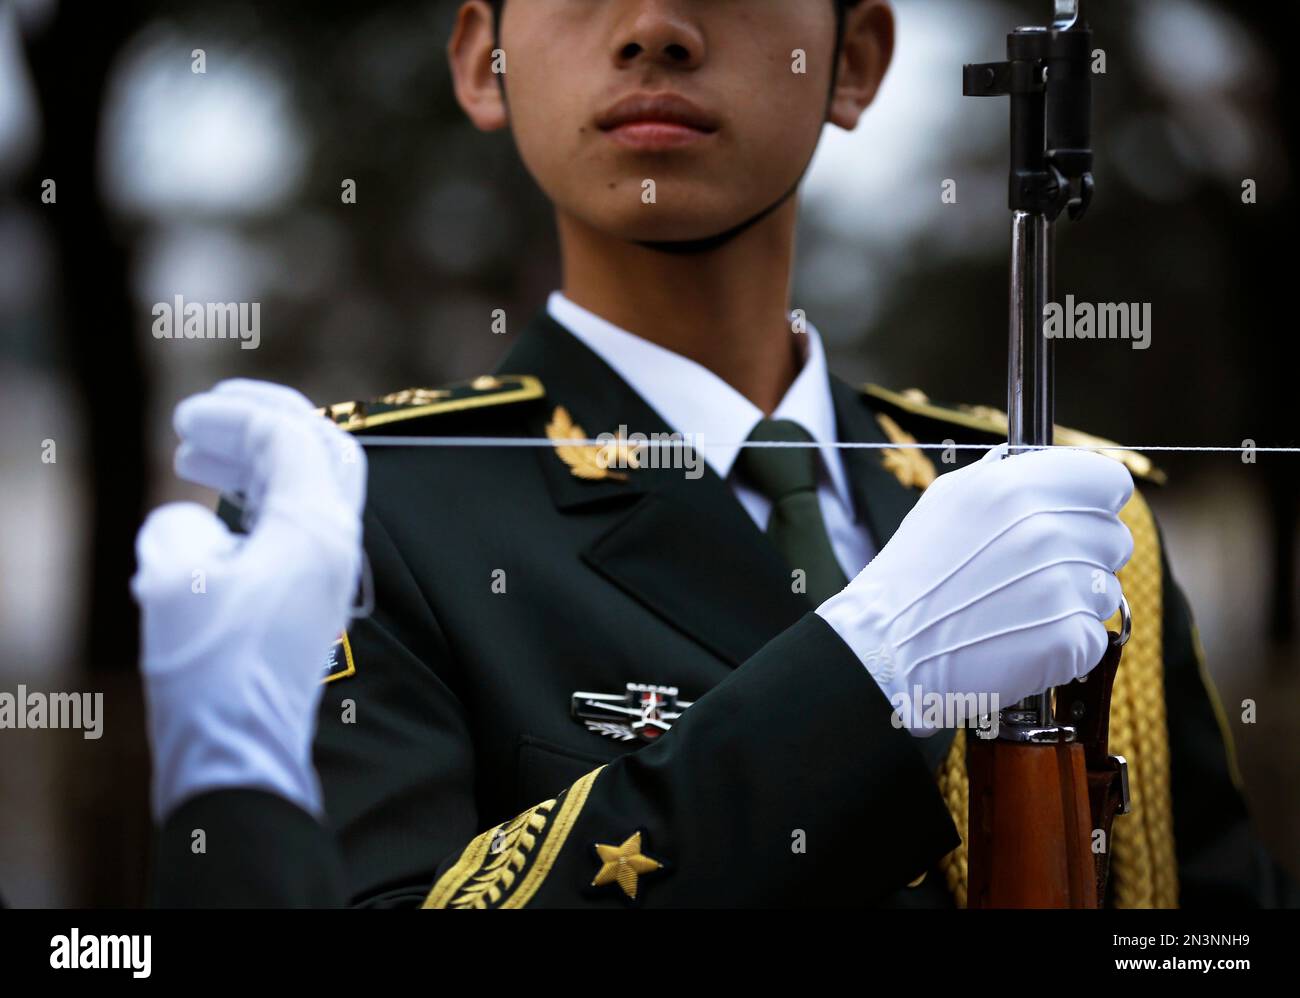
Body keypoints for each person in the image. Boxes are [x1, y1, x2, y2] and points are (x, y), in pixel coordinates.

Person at [135, 0, 1294, 907]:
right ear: (482, 59)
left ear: (855, 60)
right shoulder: (356, 516)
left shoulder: (1070, 512)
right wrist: (863, 678)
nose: (653, 28)